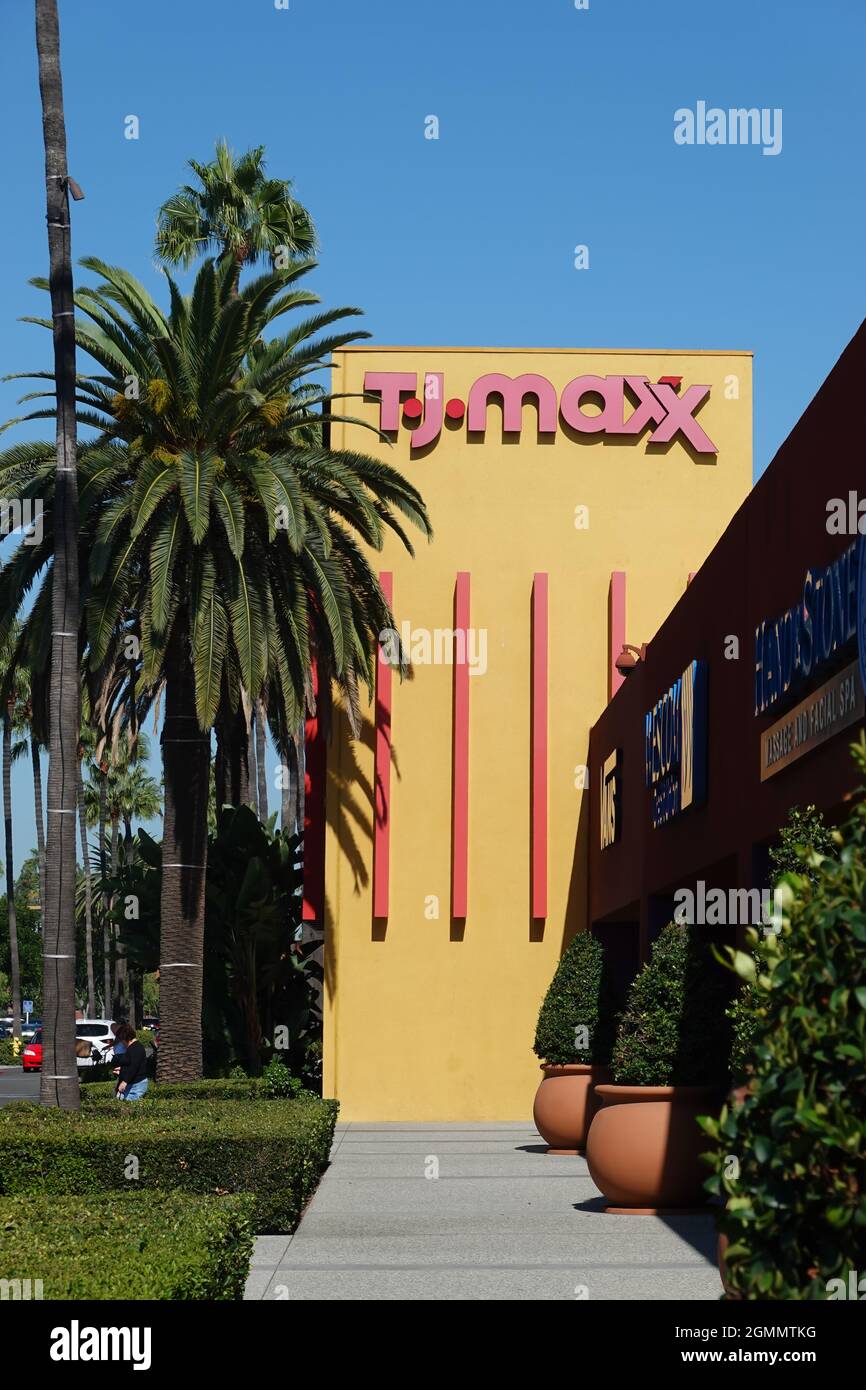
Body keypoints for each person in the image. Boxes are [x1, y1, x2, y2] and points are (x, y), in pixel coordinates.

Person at [112, 1023, 149, 1101]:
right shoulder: (132, 1048)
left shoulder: (136, 1048)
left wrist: (125, 1082)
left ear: (125, 1038)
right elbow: (130, 1065)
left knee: (128, 1107)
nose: (121, 1043)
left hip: (136, 1085)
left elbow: (134, 1067)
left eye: (121, 1040)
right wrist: (121, 1070)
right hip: (133, 1083)